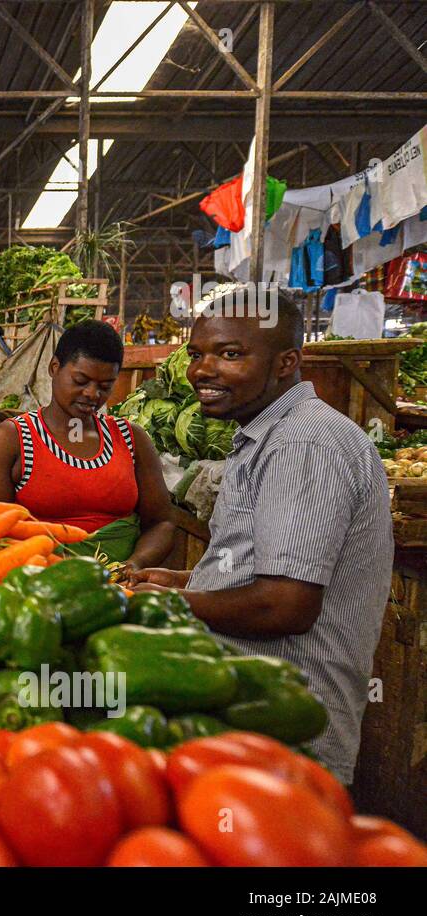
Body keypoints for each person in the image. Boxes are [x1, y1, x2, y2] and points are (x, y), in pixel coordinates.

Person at [131, 289, 392, 784]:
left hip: (286, 729)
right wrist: (185, 580)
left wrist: (174, 605)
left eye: (230, 355)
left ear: (286, 362)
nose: (202, 371)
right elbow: (266, 564)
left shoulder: (306, 444)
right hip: (248, 710)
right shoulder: (265, 433)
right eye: (197, 354)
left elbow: (285, 604)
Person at [0, 320, 175, 567]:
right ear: (54, 367)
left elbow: (162, 523)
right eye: (81, 381)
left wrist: (134, 565)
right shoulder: (11, 441)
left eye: (105, 386)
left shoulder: (132, 439)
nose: (92, 394)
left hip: (121, 589)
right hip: (38, 585)